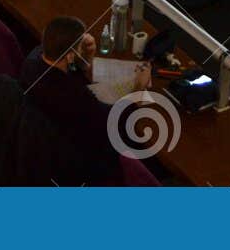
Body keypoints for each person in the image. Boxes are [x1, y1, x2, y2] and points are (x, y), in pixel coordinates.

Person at [18, 16, 149, 185]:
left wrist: (84, 59)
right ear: (70, 56)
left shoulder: (32, 60)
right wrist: (138, 87)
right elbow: (113, 119)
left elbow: (65, 67)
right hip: (81, 160)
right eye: (81, 41)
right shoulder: (74, 96)